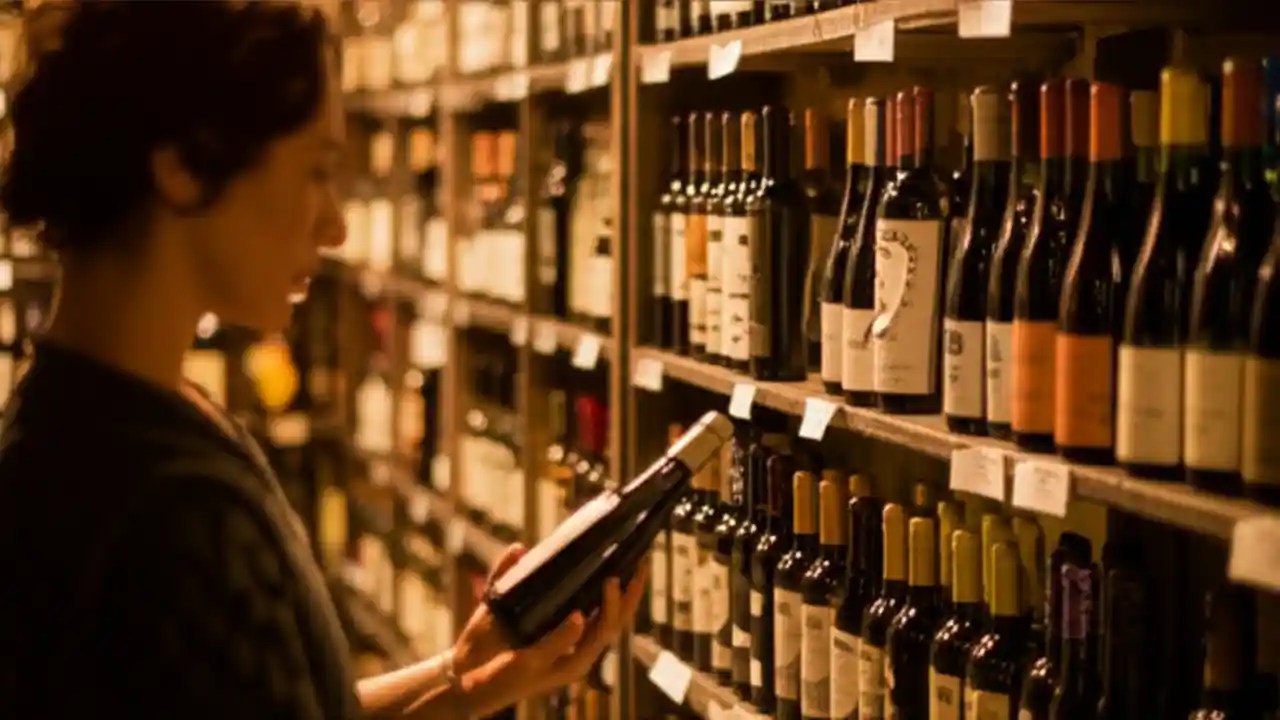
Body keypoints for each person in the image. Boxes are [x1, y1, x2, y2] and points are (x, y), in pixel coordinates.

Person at [0, 3, 646, 719]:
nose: (336, 224)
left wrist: (462, 680)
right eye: (316, 171)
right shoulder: (169, 516)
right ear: (183, 165)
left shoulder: (116, 412)